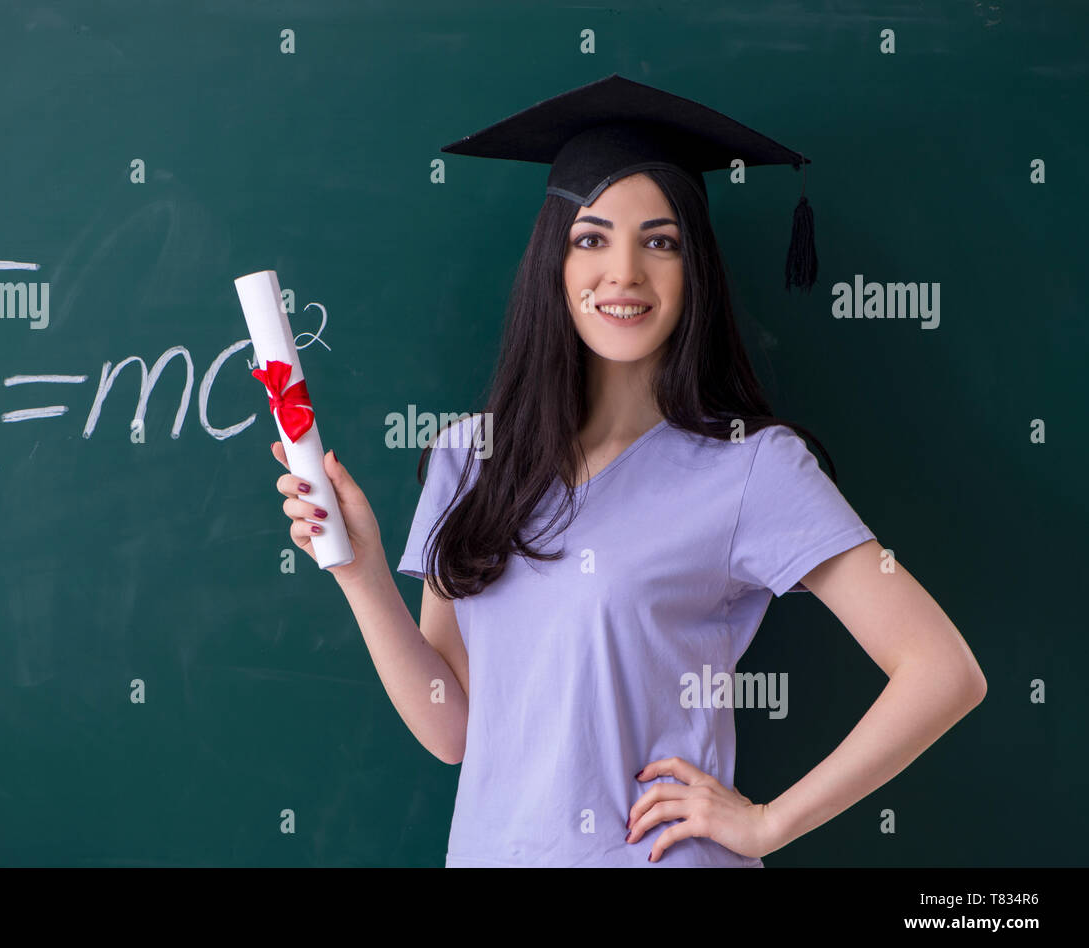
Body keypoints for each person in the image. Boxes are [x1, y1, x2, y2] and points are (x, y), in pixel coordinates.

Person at [269, 75, 986, 867]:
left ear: (693, 268)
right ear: (556, 260)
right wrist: (362, 573)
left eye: (660, 240)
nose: (625, 274)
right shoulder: (469, 457)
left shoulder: (750, 467)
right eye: (592, 237)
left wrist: (767, 822)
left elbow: (943, 670)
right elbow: (455, 731)